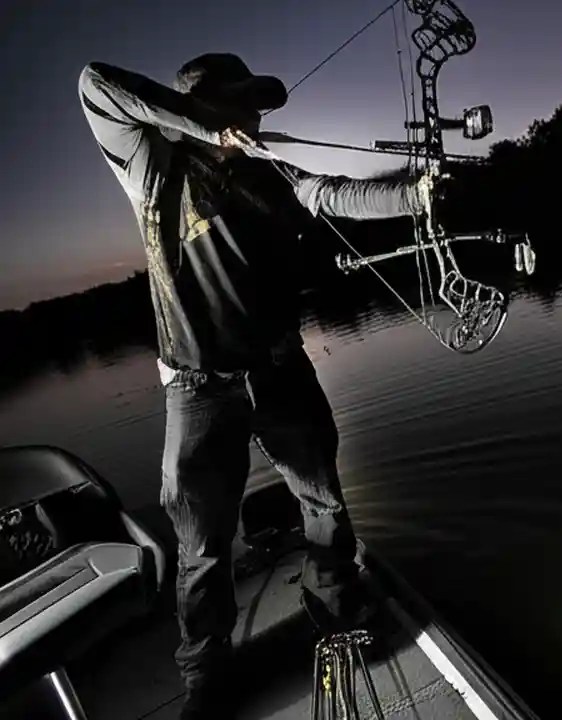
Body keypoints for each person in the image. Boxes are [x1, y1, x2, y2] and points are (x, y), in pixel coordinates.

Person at [78, 53, 429, 719]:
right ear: (210, 105)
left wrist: (415, 193)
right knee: (203, 546)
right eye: (244, 103)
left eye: (256, 107)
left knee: (323, 501)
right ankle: (207, 672)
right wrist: (208, 131)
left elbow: (331, 193)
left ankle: (335, 606)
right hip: (198, 388)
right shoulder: (149, 162)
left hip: (279, 368)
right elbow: (94, 81)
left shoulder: (268, 172)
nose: (257, 116)